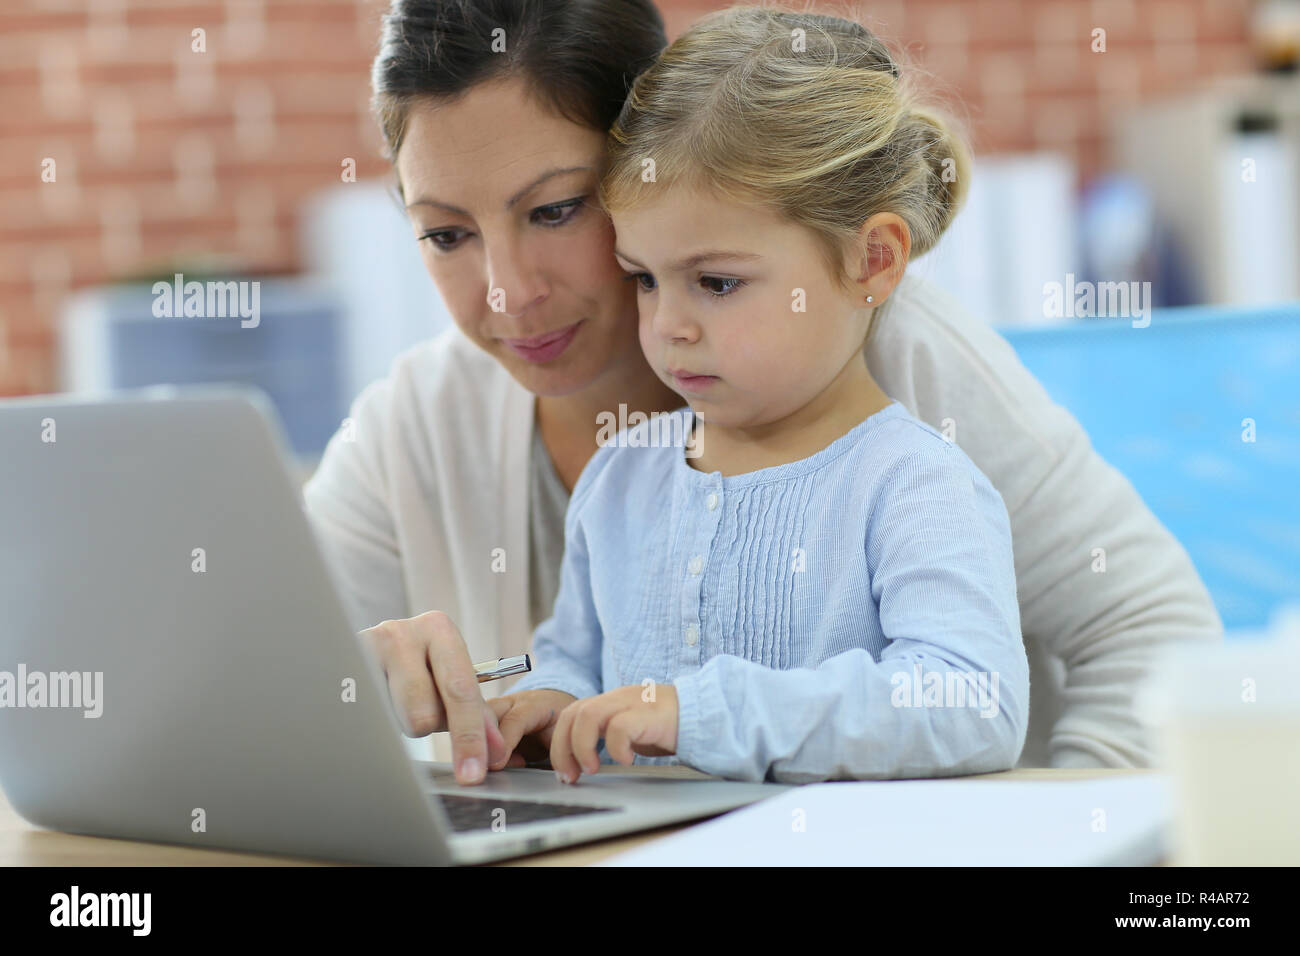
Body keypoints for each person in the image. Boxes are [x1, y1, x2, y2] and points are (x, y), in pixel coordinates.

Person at [303, 0, 1223, 786]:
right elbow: (236, 685)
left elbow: (1145, 633)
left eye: (555, 210)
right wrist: (351, 678)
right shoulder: (457, 435)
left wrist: (1058, 836)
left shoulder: (903, 387)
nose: (507, 292)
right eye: (444, 234)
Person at [501, 4, 1030, 784]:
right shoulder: (621, 478)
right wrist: (553, 702)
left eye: (716, 282)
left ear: (872, 261)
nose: (668, 326)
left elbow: (973, 699)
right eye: (644, 279)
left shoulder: (911, 484)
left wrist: (703, 715)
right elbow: (576, 654)